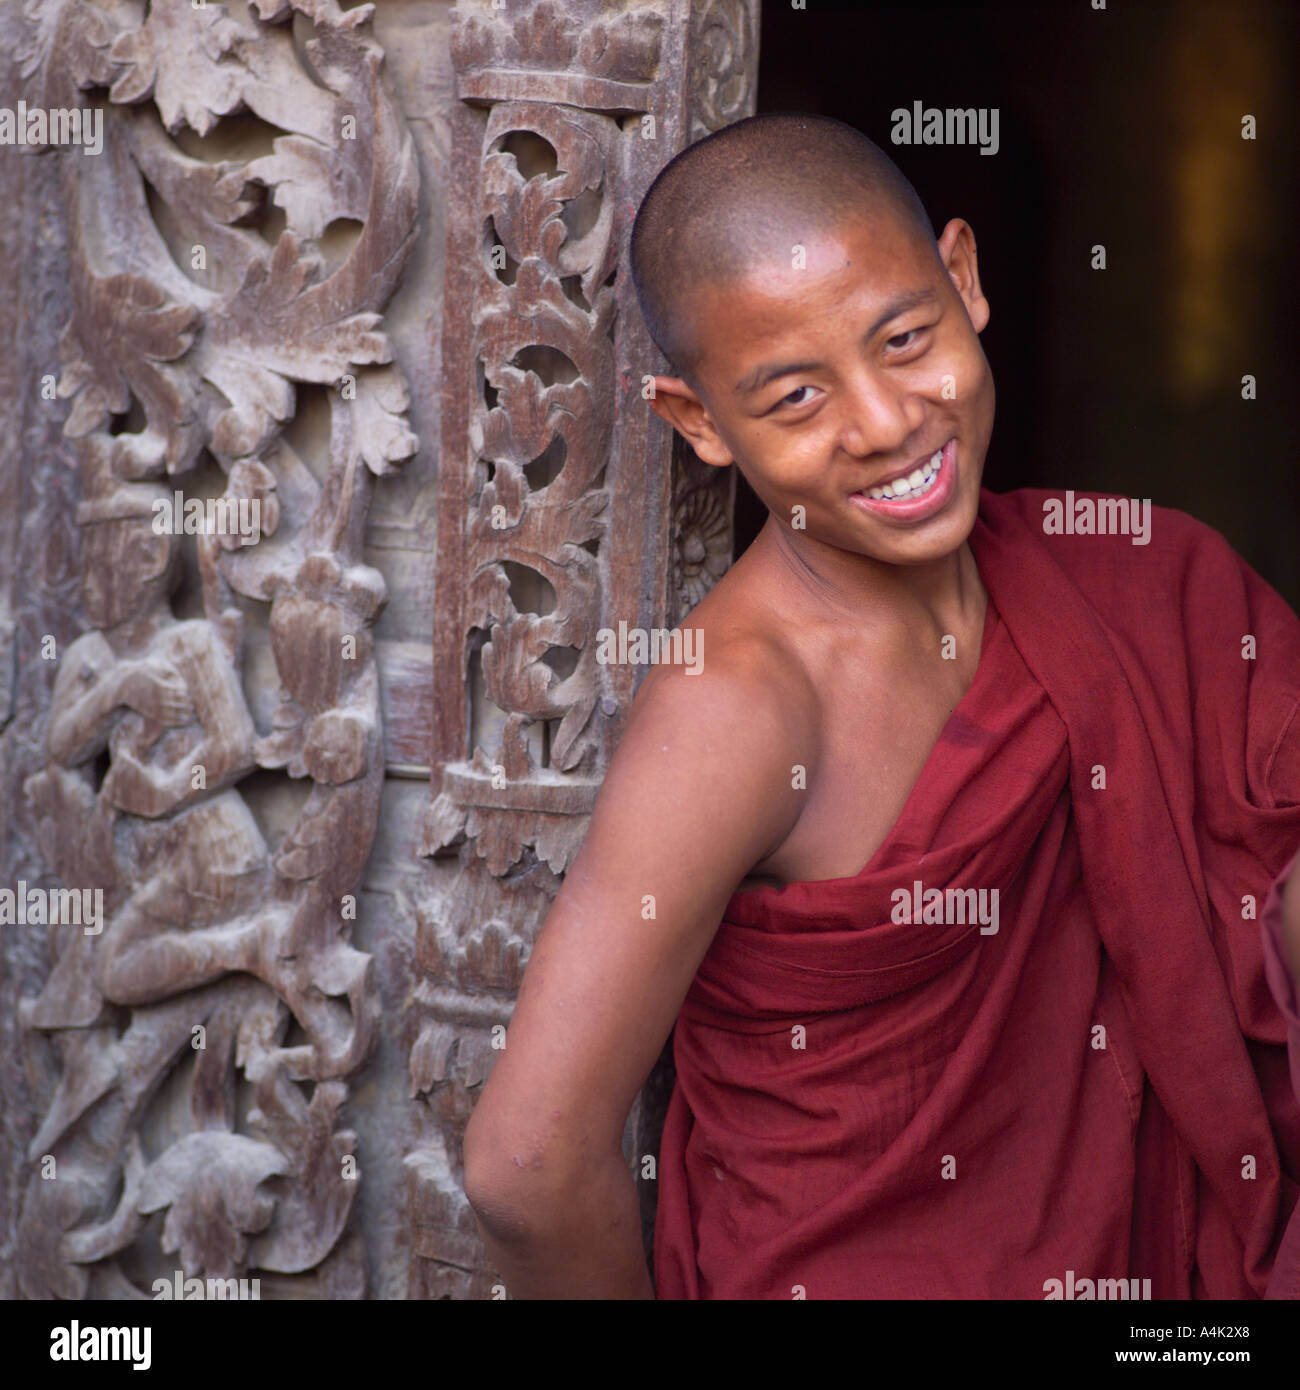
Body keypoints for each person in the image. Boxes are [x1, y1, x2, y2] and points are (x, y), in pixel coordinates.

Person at [461, 112, 1300, 1299]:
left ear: (962, 278)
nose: (887, 420)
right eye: (796, 397)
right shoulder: (742, 704)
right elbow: (525, 1166)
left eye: (905, 339)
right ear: (700, 423)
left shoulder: (1143, 579)